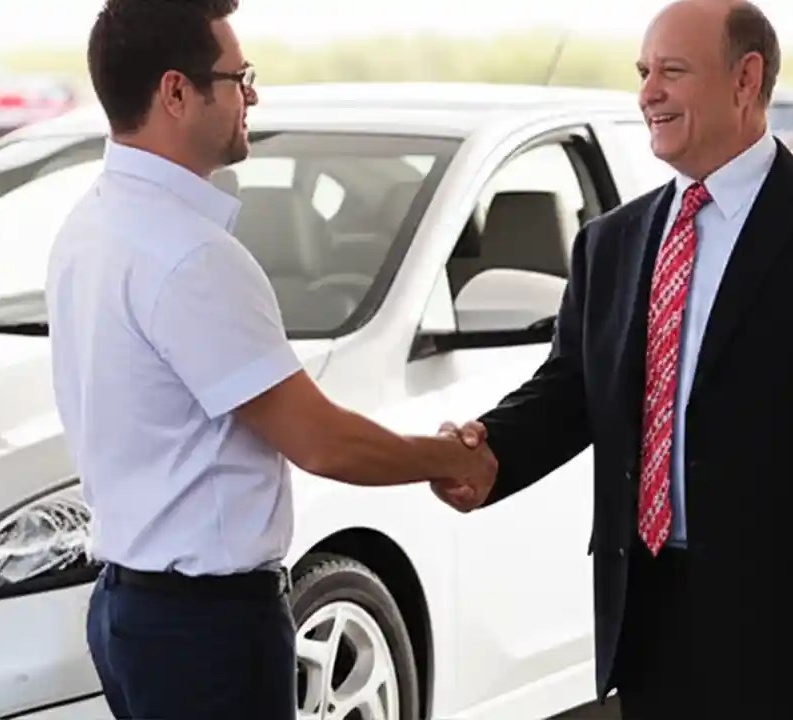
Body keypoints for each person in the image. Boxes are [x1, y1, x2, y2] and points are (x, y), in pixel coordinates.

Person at [437, 1, 793, 717]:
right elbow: (571, 391)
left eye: (671, 72)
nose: (647, 93)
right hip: (651, 617)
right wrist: (482, 456)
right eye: (644, 72)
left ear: (746, 79)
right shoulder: (610, 242)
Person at [43, 1, 496, 718]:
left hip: (129, 610)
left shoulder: (91, 221)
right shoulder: (192, 256)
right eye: (237, 76)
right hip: (207, 631)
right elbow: (320, 441)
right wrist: (450, 458)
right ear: (175, 92)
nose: (251, 94)